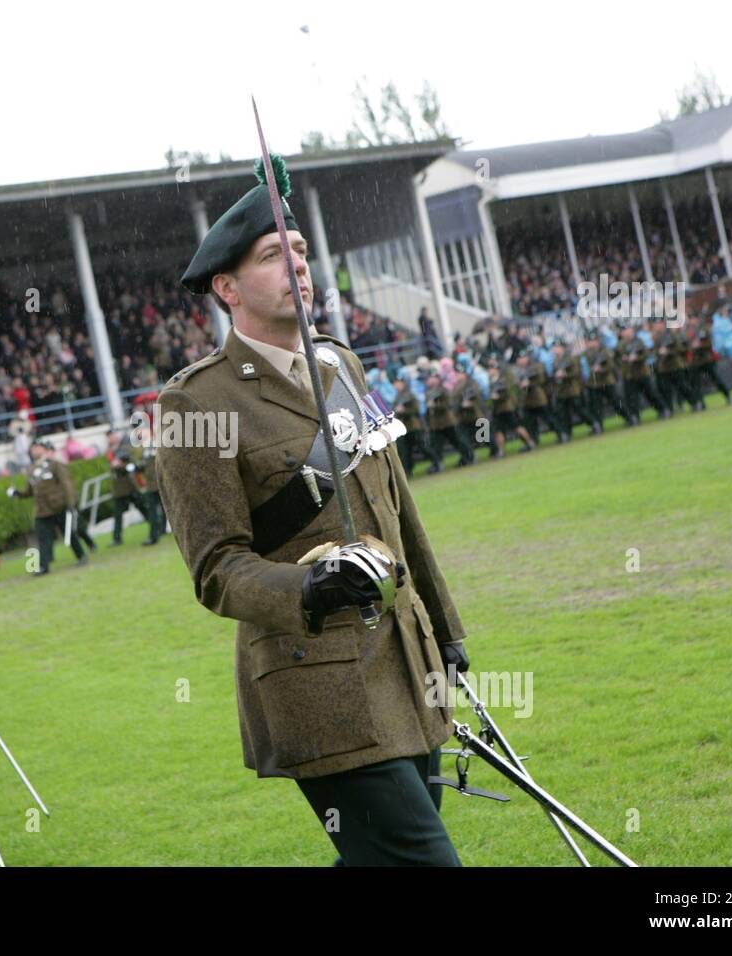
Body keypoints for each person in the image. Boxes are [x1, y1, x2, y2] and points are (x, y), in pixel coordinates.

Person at [158, 155, 467, 866]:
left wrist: (443, 628)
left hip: (405, 662)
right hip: (317, 682)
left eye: (299, 249)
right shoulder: (193, 404)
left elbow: (398, 512)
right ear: (227, 288)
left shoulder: (342, 365)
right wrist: (309, 587)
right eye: (274, 255)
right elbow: (216, 569)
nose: (298, 264)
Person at [7, 441, 88, 574]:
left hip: (59, 506)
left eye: (38, 448)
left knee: (69, 534)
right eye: (33, 448)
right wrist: (17, 493)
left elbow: (66, 485)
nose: (35, 451)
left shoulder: (55, 465)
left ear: (44, 450)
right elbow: (30, 491)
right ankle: (44, 566)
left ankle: (81, 556)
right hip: (42, 510)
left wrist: (70, 504)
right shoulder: (31, 469)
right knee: (43, 538)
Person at [618, 325, 663, 425]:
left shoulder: (639, 341)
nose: (627, 332)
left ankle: (663, 410)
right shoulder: (621, 344)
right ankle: (634, 417)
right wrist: (624, 359)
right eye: (625, 330)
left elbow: (646, 354)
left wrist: (636, 357)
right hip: (629, 375)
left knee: (651, 393)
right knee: (631, 398)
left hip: (642, 373)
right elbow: (617, 358)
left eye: (628, 330)